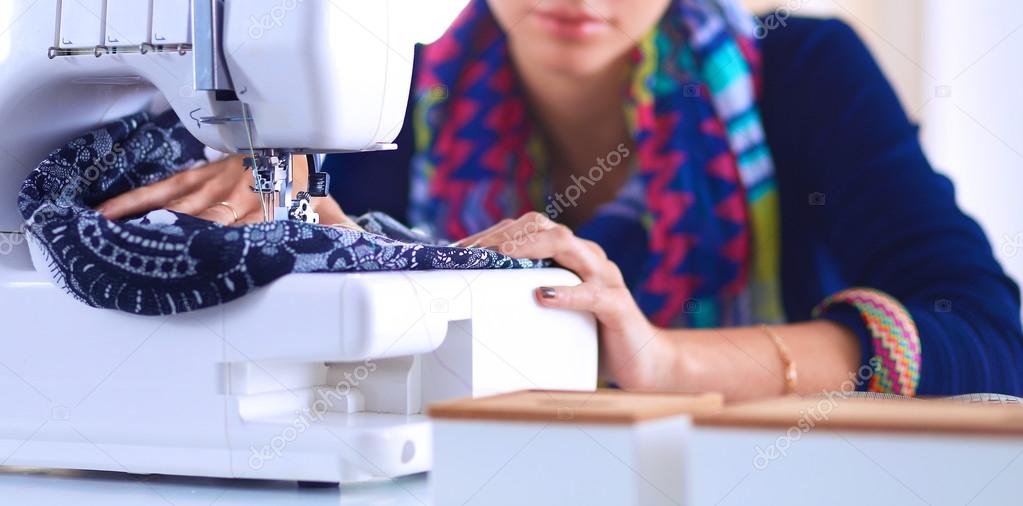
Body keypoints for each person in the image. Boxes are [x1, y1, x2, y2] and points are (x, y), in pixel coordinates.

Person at [97, 0, 1023, 400]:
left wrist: (664, 363)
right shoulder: (376, 106)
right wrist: (311, 260)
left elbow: (984, 331)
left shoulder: (805, 73)